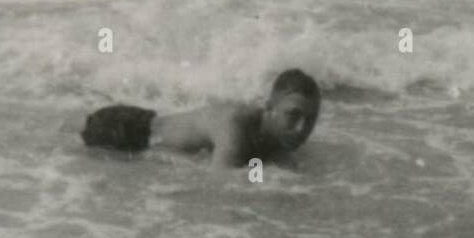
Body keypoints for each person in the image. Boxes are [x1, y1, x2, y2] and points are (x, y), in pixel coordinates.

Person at [80, 69, 320, 166]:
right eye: (293, 116)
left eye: (311, 120)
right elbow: (218, 189)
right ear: (269, 108)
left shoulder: (276, 136)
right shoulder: (236, 130)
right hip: (128, 133)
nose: (302, 129)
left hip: (152, 124)